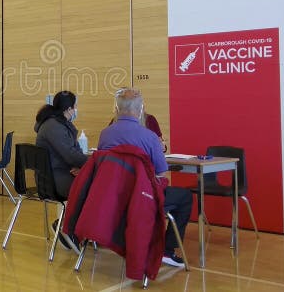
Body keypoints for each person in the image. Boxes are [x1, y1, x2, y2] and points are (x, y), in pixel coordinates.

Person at [98, 87, 192, 269]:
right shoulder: (149, 137)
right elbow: (161, 172)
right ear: (140, 109)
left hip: (115, 196)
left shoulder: (105, 134)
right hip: (142, 197)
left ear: (117, 109)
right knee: (184, 197)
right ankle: (167, 250)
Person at [34, 90, 87, 252]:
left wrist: (83, 166)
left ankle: (75, 230)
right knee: (90, 187)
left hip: (59, 173)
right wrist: (96, 161)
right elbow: (71, 155)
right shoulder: (54, 126)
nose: (75, 110)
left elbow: (74, 153)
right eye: (75, 107)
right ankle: (67, 228)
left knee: (91, 183)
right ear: (68, 109)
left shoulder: (59, 124)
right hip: (52, 179)